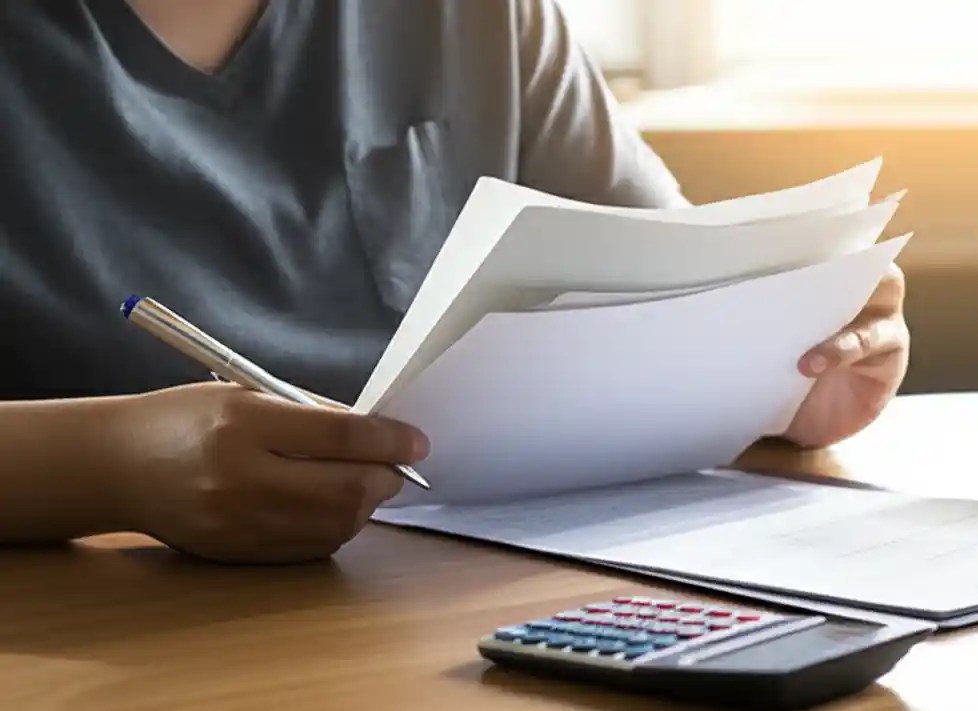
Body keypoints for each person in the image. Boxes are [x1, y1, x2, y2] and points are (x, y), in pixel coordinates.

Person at [0, 0, 908, 563]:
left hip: (461, 632)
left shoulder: (481, 14)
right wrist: (103, 465)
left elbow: (664, 293)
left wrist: (775, 385)